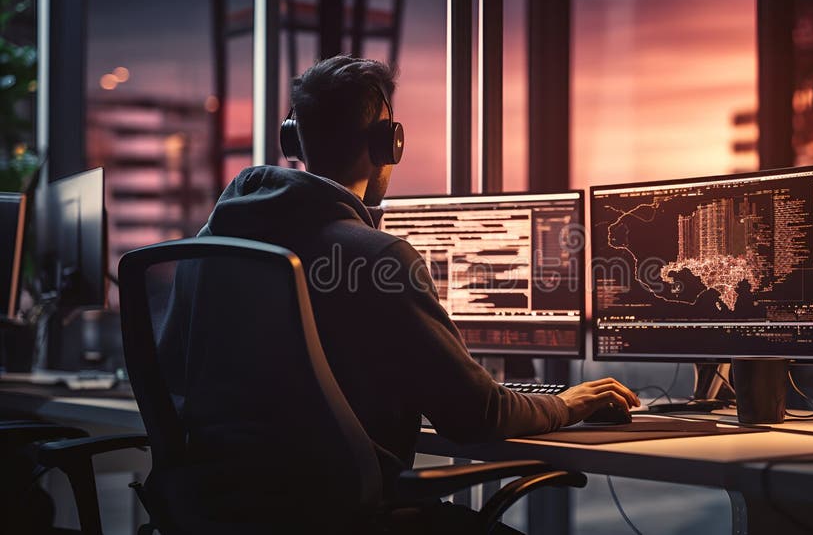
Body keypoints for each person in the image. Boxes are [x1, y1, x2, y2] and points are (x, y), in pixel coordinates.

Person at [164, 55, 639, 531]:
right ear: (387, 143)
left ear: (294, 138)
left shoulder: (208, 249)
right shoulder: (378, 256)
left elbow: (173, 377)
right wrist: (567, 403)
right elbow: (477, 416)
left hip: (214, 512)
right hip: (338, 516)